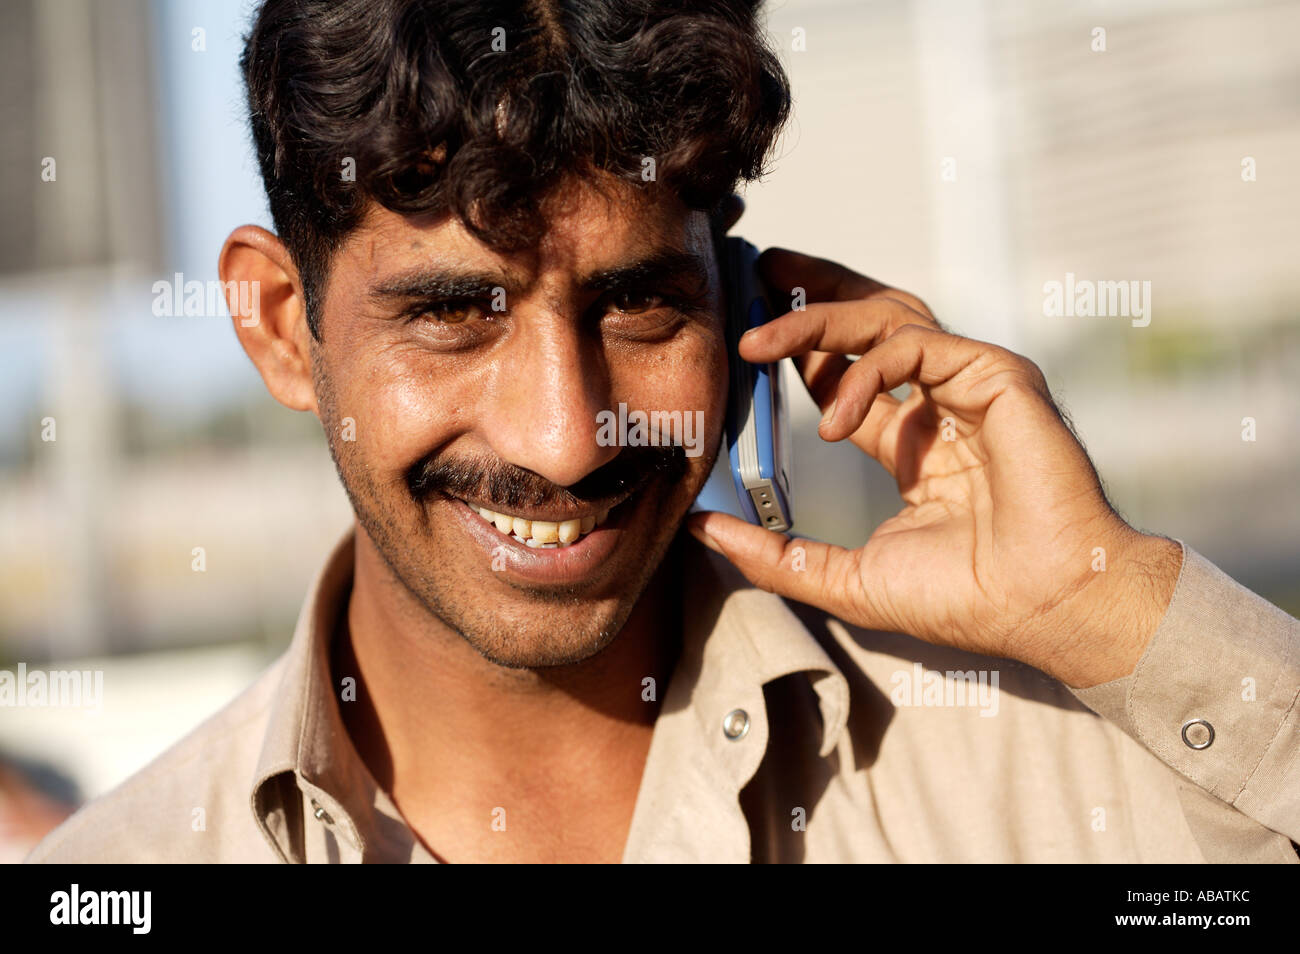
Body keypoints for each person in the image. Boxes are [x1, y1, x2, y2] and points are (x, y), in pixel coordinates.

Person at [28, 0, 1298, 863]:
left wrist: (1108, 603)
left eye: (637, 303)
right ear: (279, 327)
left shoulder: (1021, 775)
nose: (568, 437)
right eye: (454, 313)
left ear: (747, 305)